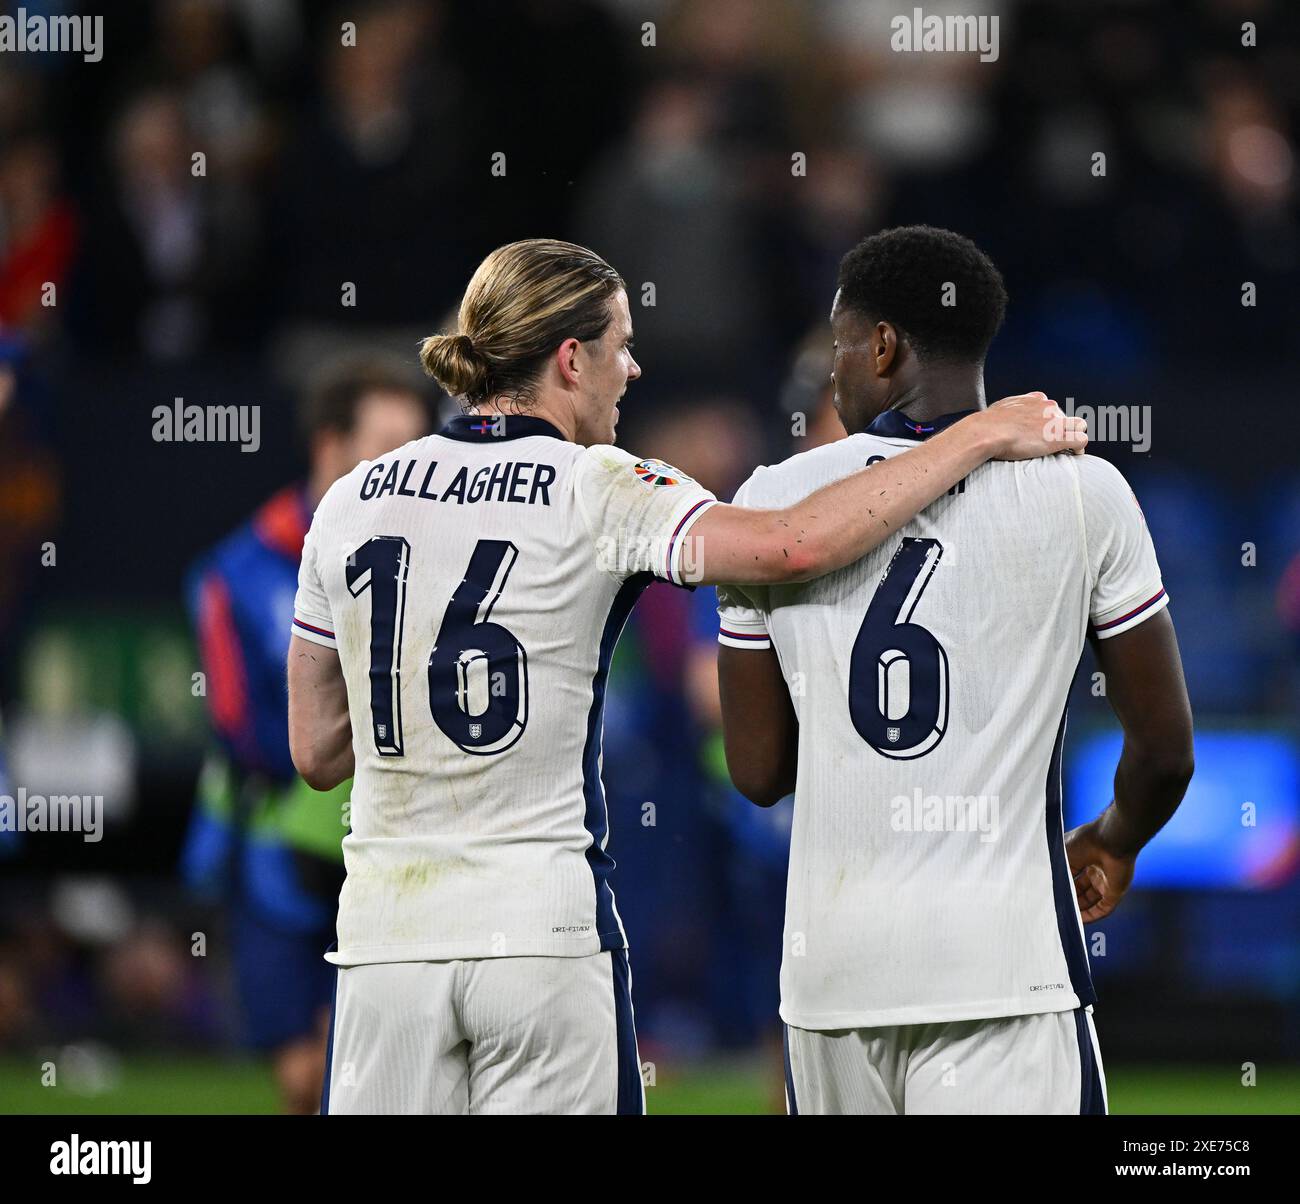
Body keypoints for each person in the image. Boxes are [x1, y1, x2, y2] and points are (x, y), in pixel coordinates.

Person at [285, 237, 1084, 1116]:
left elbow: (319, 750)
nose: (632, 370)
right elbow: (793, 544)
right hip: (539, 936)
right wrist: (976, 434)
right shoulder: (600, 484)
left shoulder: (352, 500)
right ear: (569, 358)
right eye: (622, 345)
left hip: (383, 949)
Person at [715, 225, 1194, 1115]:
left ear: (885, 346)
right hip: (1005, 975)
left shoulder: (773, 503)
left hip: (831, 984)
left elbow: (758, 772)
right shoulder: (1084, 490)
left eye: (841, 346)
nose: (834, 373)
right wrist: (1113, 839)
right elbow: (1166, 752)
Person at [184, 361, 428, 1112]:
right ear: (330, 443)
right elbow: (237, 723)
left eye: (413, 449)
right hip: (277, 842)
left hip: (395, 846)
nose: (402, 469)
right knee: (302, 1072)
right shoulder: (238, 571)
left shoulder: (431, 561)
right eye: (384, 447)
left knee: (382, 1065)